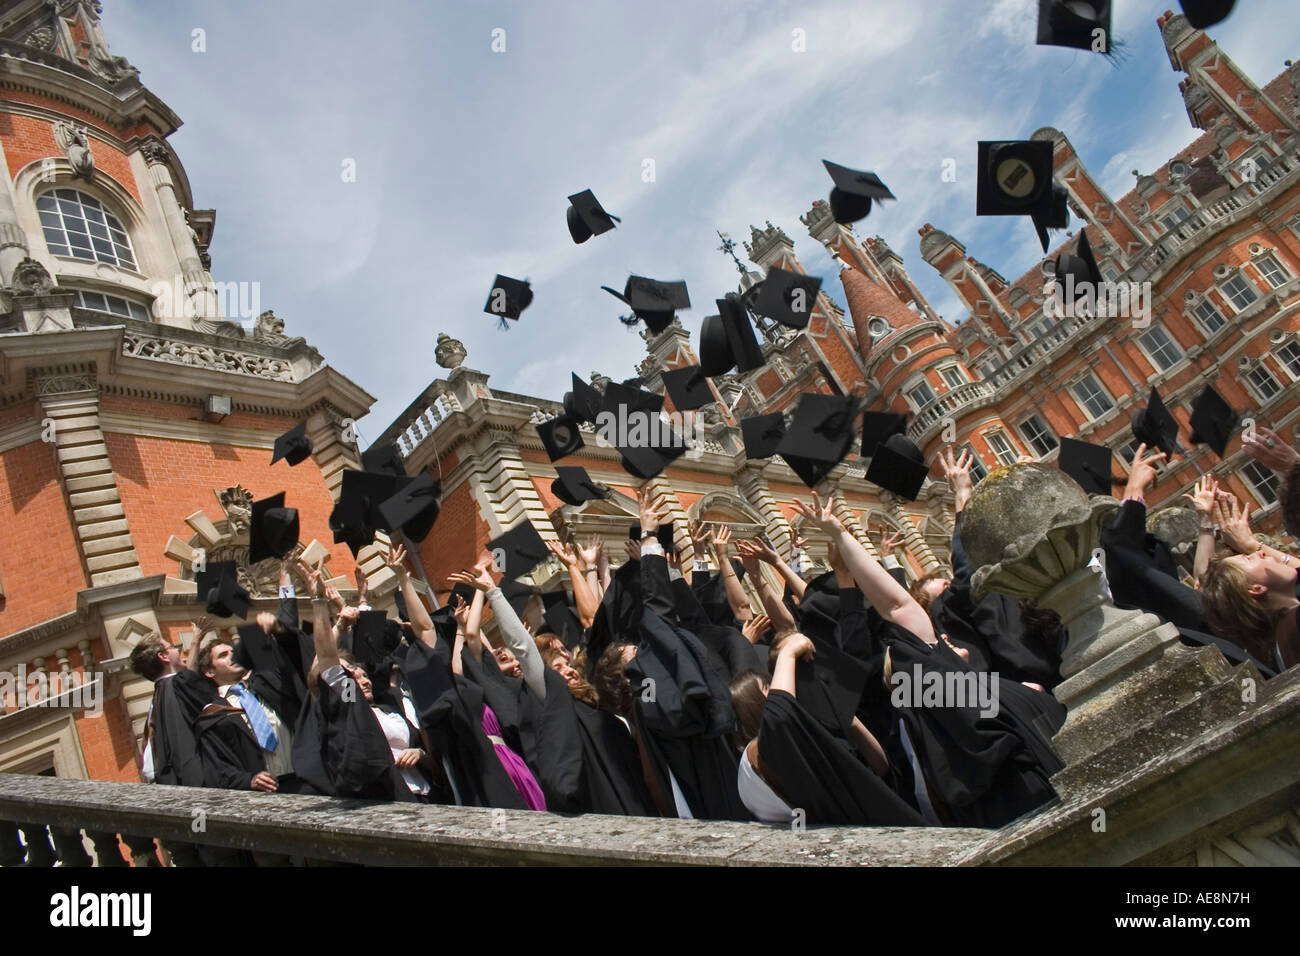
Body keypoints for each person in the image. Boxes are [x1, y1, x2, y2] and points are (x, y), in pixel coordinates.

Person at [792, 490, 1066, 829]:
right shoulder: (952, 687)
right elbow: (897, 607)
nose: (948, 636)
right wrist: (839, 533)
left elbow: (898, 608)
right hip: (1043, 800)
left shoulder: (948, 703)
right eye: (943, 639)